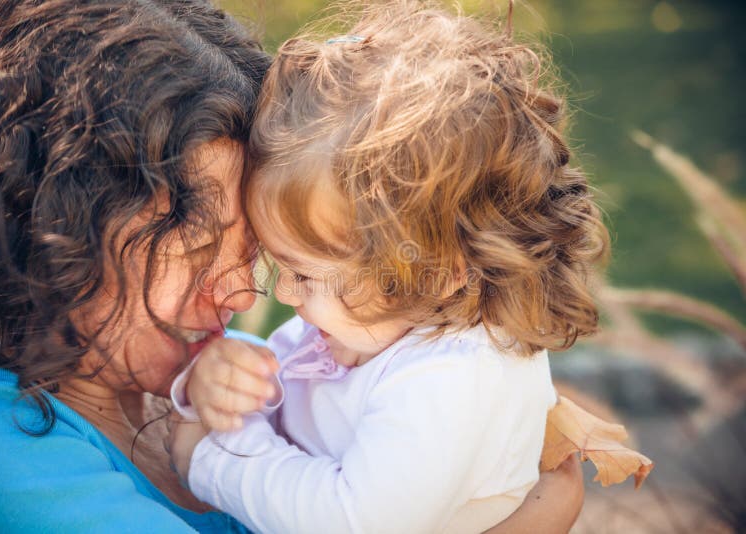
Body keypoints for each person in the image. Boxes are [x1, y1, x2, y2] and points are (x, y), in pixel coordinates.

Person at [0, 0, 583, 532]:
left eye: (252, 249)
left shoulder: (243, 365)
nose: (245, 295)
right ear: (56, 230)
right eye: (196, 247)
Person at [168, 2, 609, 533]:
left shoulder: (454, 379)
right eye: (278, 264)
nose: (284, 293)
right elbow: (293, 385)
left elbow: (349, 521)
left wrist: (210, 459)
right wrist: (232, 374)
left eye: (303, 273)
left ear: (439, 271)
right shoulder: (371, 318)